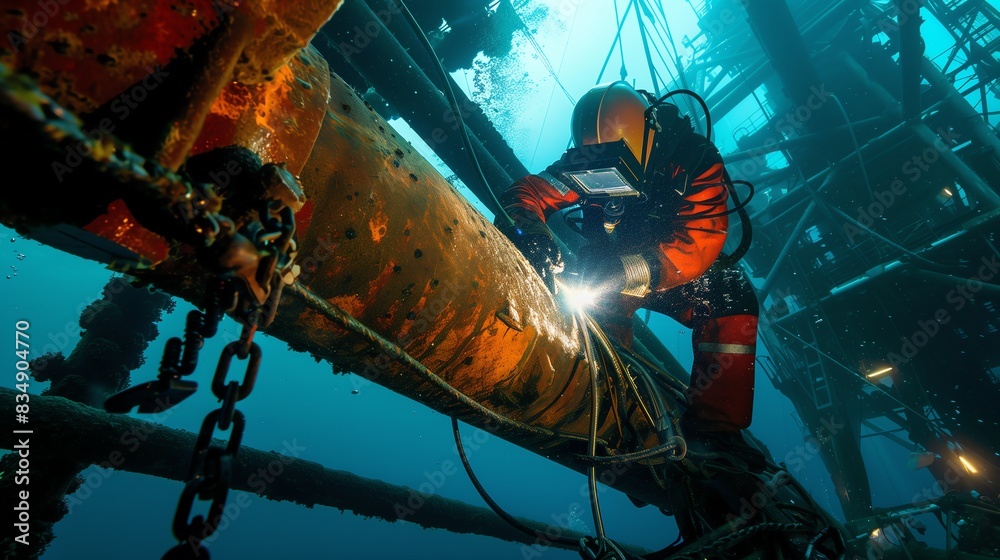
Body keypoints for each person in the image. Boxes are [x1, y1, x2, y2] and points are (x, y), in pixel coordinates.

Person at [500, 82, 759, 439]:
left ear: (645, 139)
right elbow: (528, 193)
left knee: (731, 294)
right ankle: (614, 413)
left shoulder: (692, 159)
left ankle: (716, 431)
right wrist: (532, 232)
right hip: (606, 274)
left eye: (614, 166)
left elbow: (701, 240)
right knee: (596, 321)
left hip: (673, 272)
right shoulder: (586, 161)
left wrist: (629, 271)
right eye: (596, 165)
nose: (605, 179)